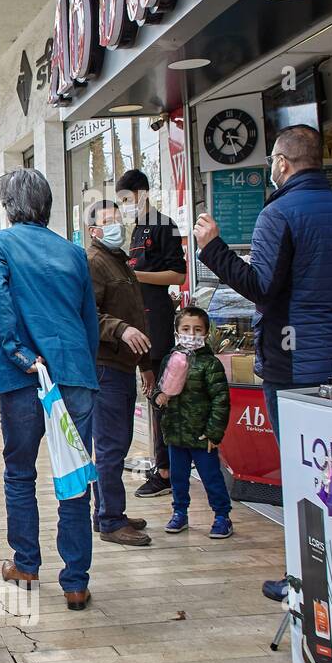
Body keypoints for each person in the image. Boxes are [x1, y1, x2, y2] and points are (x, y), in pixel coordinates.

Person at [194, 125, 332, 598]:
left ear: (282, 163)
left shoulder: (278, 213)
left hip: (294, 365)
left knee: (305, 474)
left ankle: (306, 580)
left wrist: (212, 248)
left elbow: (260, 287)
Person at [0, 169, 99, 611]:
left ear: (10, 207)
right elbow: (89, 320)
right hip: (74, 371)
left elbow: (0, 300)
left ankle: (27, 563)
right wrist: (80, 368)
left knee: (20, 472)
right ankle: (76, 582)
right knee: (73, 477)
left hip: (24, 374)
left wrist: (16, 351)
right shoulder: (73, 252)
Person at [85, 199, 154, 547]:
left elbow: (136, 317)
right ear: (94, 230)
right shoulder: (95, 261)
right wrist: (120, 330)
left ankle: (109, 511)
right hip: (106, 367)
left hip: (123, 366)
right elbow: (87, 314)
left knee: (118, 443)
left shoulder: (118, 262)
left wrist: (146, 365)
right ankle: (110, 520)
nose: (116, 226)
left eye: (118, 219)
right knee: (111, 447)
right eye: (107, 221)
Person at [116, 169, 186, 499]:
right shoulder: (137, 229)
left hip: (156, 320)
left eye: (126, 200)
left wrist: (136, 276)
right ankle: (163, 466)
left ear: (141, 194)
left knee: (161, 397)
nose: (124, 206)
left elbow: (178, 274)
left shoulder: (163, 224)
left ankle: (167, 471)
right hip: (139, 320)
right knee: (151, 394)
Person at [154, 306, 232, 539]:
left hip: (201, 436)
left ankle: (222, 516)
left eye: (197, 329)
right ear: (177, 331)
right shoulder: (171, 359)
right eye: (186, 328)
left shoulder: (210, 364)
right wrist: (159, 397)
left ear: (206, 333)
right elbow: (159, 389)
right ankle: (180, 512)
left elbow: (221, 400)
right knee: (178, 478)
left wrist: (213, 433)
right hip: (175, 434)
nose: (191, 333)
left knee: (211, 477)